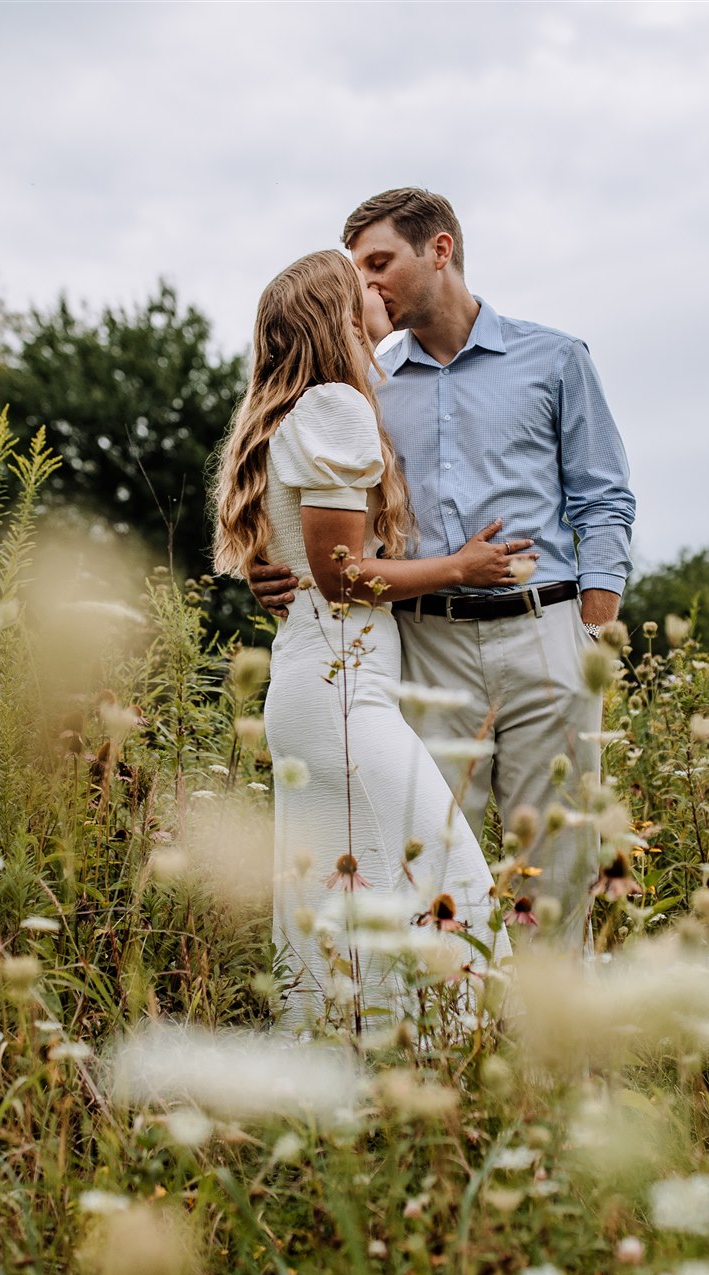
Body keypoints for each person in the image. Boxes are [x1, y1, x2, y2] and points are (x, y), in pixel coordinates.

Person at [249, 188, 636, 945]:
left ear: (441, 249)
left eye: (380, 262)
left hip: (545, 632)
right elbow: (323, 519)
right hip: (421, 643)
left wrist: (592, 631)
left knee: (555, 859)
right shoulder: (367, 384)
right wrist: (280, 570)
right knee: (431, 861)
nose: (368, 283)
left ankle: (554, 1044)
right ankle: (449, 1042)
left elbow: (604, 500)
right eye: (359, 271)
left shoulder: (555, 358)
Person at [212, 249, 540, 1034]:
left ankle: (347, 1074)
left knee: (338, 896)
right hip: (340, 696)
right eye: (361, 280)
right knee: (444, 874)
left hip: (320, 690)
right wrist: (461, 567)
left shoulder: (308, 412)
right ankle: (437, 1067)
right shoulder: (335, 408)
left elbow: (305, 567)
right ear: (336, 310)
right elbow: (342, 578)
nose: (378, 287)